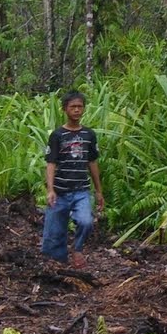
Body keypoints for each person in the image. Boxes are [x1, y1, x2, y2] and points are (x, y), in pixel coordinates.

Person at [43, 90, 103, 267]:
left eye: (80, 106)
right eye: (73, 107)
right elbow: (51, 163)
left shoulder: (89, 135)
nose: (77, 110)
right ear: (64, 109)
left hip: (81, 191)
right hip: (60, 192)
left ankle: (77, 249)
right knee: (54, 234)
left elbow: (92, 162)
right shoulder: (57, 135)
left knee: (85, 221)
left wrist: (99, 190)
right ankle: (57, 266)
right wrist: (50, 189)